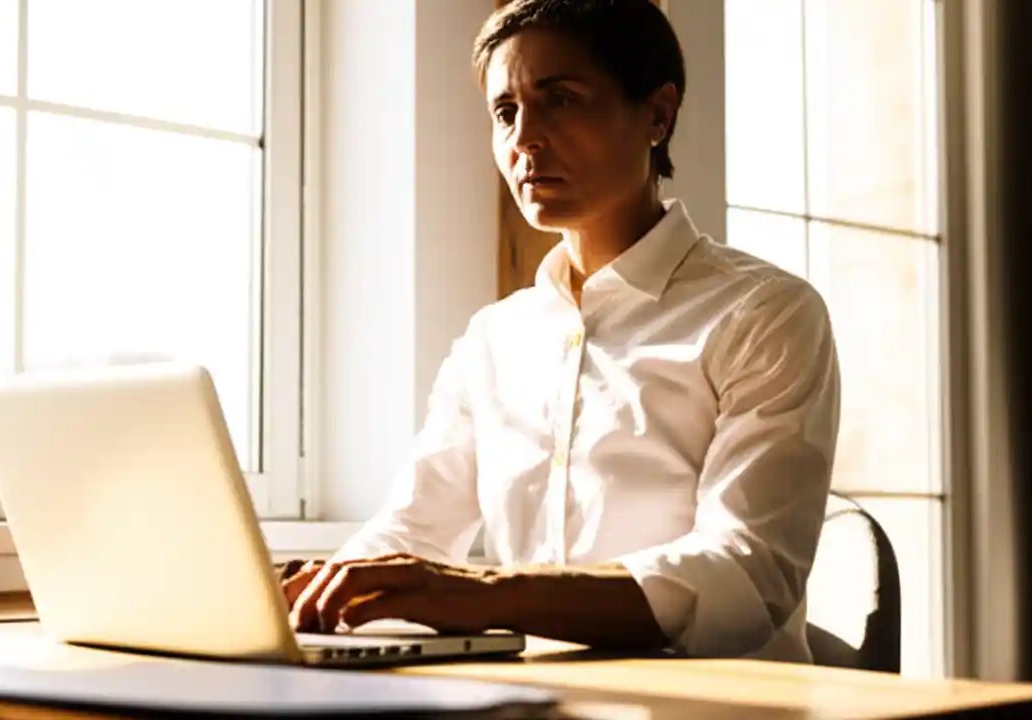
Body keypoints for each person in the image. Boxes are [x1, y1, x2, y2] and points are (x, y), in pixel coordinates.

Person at [284, 0, 840, 662]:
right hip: (530, 700)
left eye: (563, 100)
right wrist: (305, 595)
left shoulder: (763, 313)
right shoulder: (493, 339)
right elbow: (413, 529)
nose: (524, 138)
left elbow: (745, 575)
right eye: (504, 111)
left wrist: (482, 592)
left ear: (657, 115)